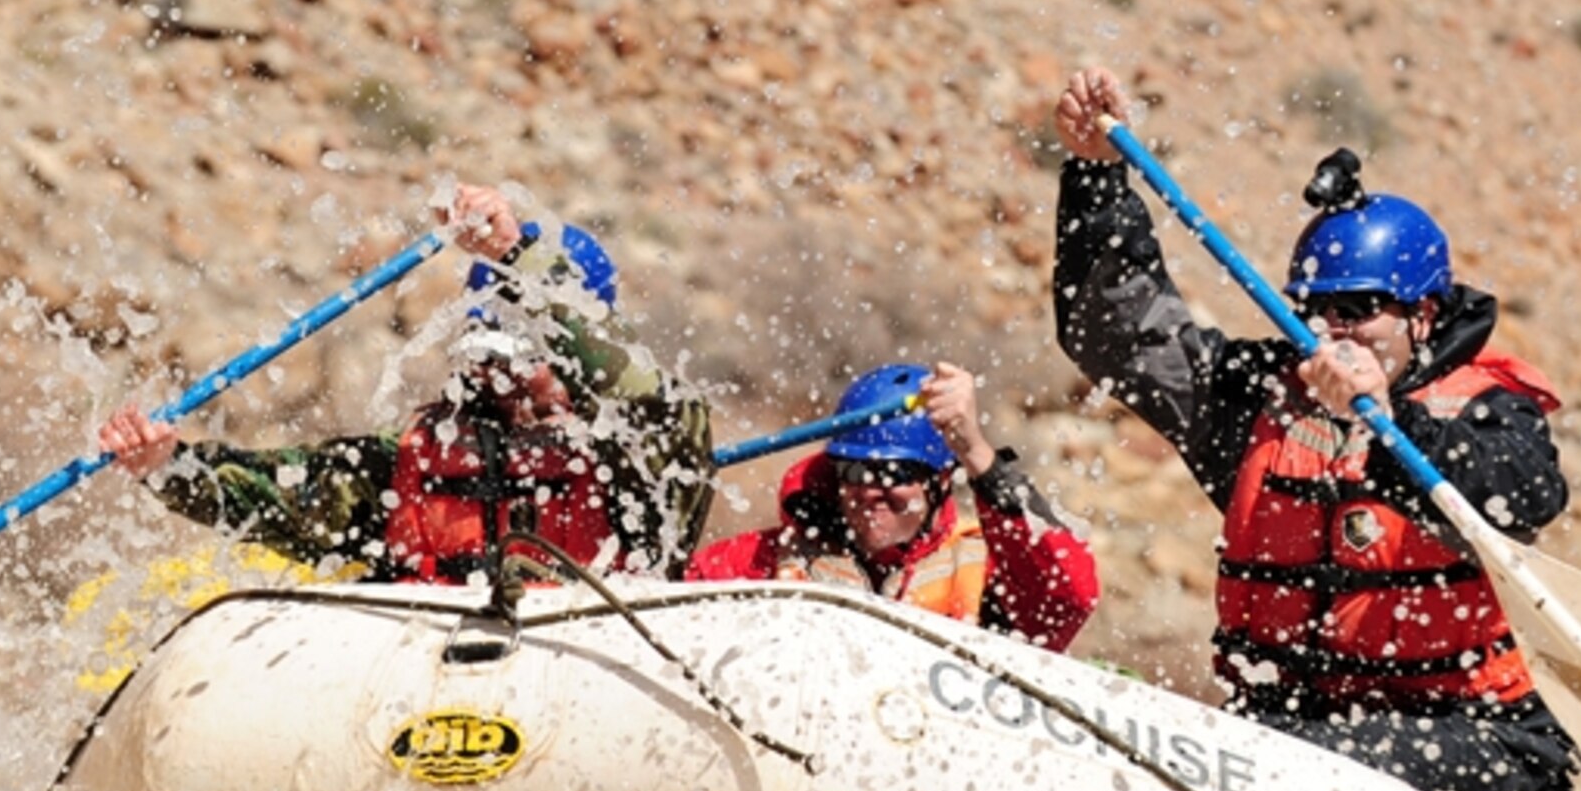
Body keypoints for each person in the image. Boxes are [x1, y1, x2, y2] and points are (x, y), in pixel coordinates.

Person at [1046, 66, 1580, 791]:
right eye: (1317, 309)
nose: (1333, 330)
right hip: (1289, 734)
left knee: (1300, 757)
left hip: (1481, 745)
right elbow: (1118, 334)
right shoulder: (1257, 398)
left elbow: (1524, 496)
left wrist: (1389, 423)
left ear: (1423, 315)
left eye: (1359, 309)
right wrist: (1097, 177)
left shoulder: (1486, 409)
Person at [99, 187, 713, 584]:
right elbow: (276, 495)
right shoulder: (416, 458)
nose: (509, 370)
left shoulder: (649, 455)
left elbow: (638, 390)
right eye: (496, 343)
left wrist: (513, 254)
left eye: (533, 349)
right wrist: (167, 466)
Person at [686, 363, 1100, 651]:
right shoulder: (770, 558)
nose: (869, 492)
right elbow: (672, 595)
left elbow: (1070, 596)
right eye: (854, 471)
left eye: (894, 474)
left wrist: (976, 452)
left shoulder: (988, 576)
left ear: (940, 481)